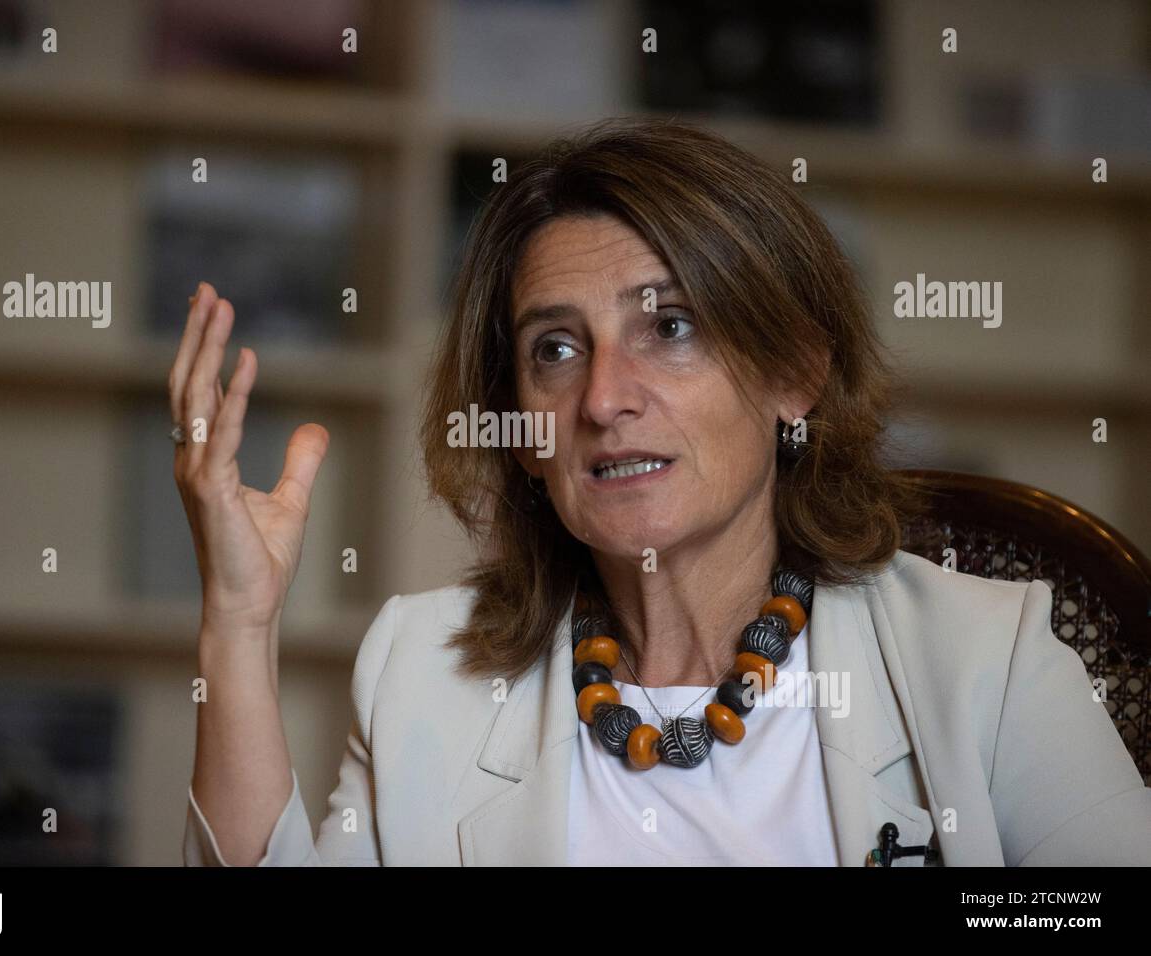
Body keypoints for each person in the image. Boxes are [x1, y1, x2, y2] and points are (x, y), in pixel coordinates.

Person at [176, 117, 1151, 866]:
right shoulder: (419, 675)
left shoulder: (989, 656)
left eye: (670, 327)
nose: (603, 397)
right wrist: (236, 614)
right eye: (555, 348)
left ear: (793, 374)